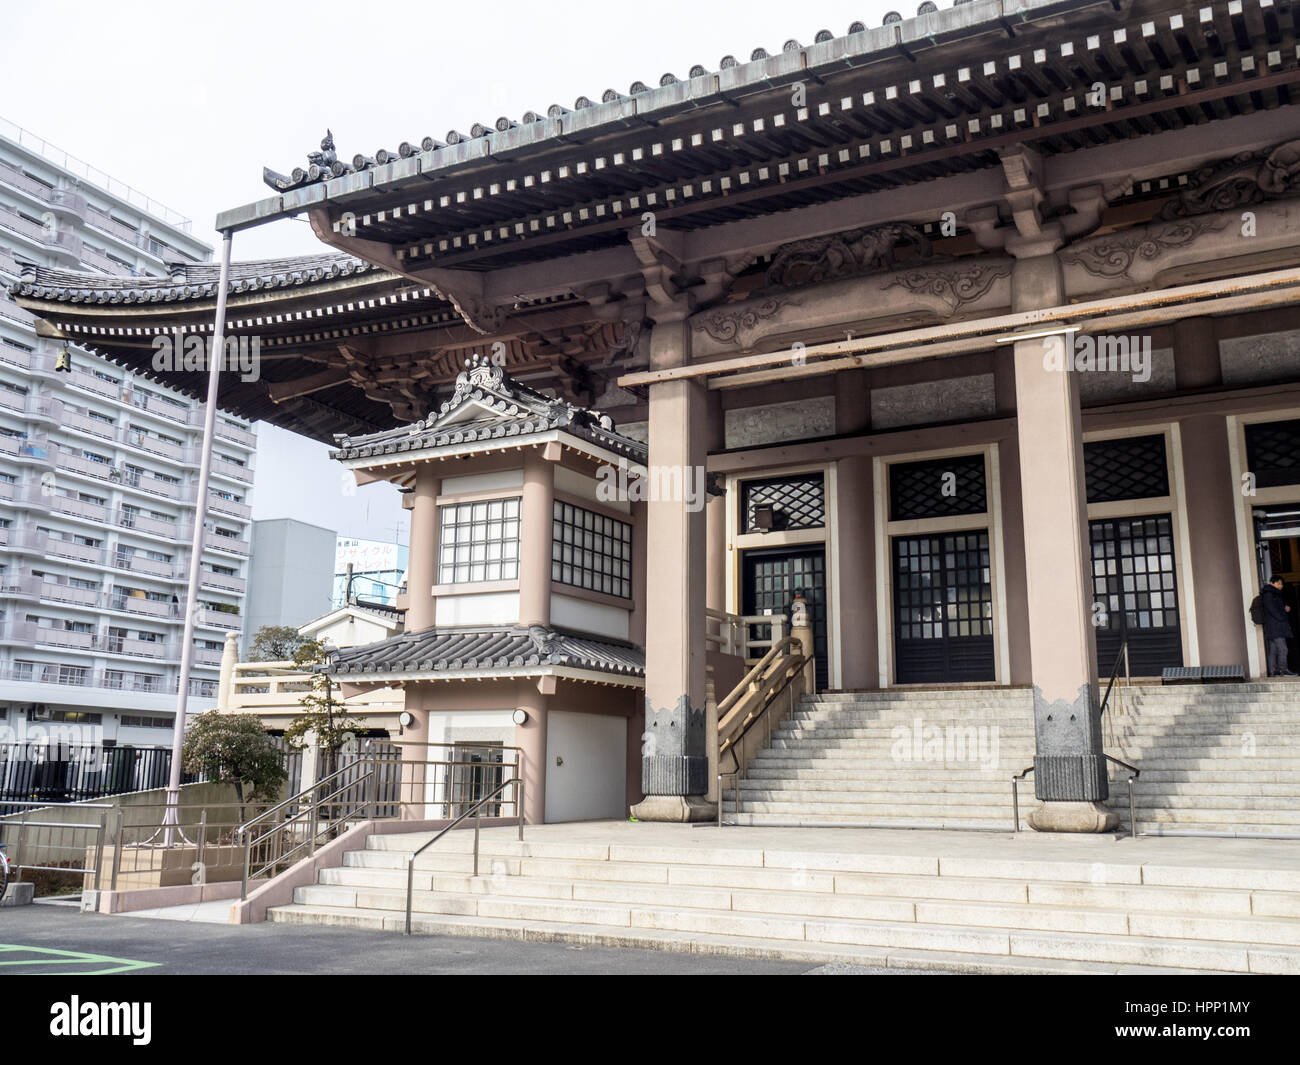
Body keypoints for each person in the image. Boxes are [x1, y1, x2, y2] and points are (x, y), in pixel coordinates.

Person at [1262, 575, 1297, 677]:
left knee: (1273, 650)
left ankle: (1274, 672)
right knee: (1283, 649)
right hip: (1276, 626)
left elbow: (1274, 607)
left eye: (1281, 584)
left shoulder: (1273, 593)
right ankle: (1283, 670)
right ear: (1272, 583)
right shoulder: (1269, 594)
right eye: (1279, 583)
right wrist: (1282, 617)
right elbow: (1272, 609)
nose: (1281, 586)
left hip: (1274, 627)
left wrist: (1284, 608)